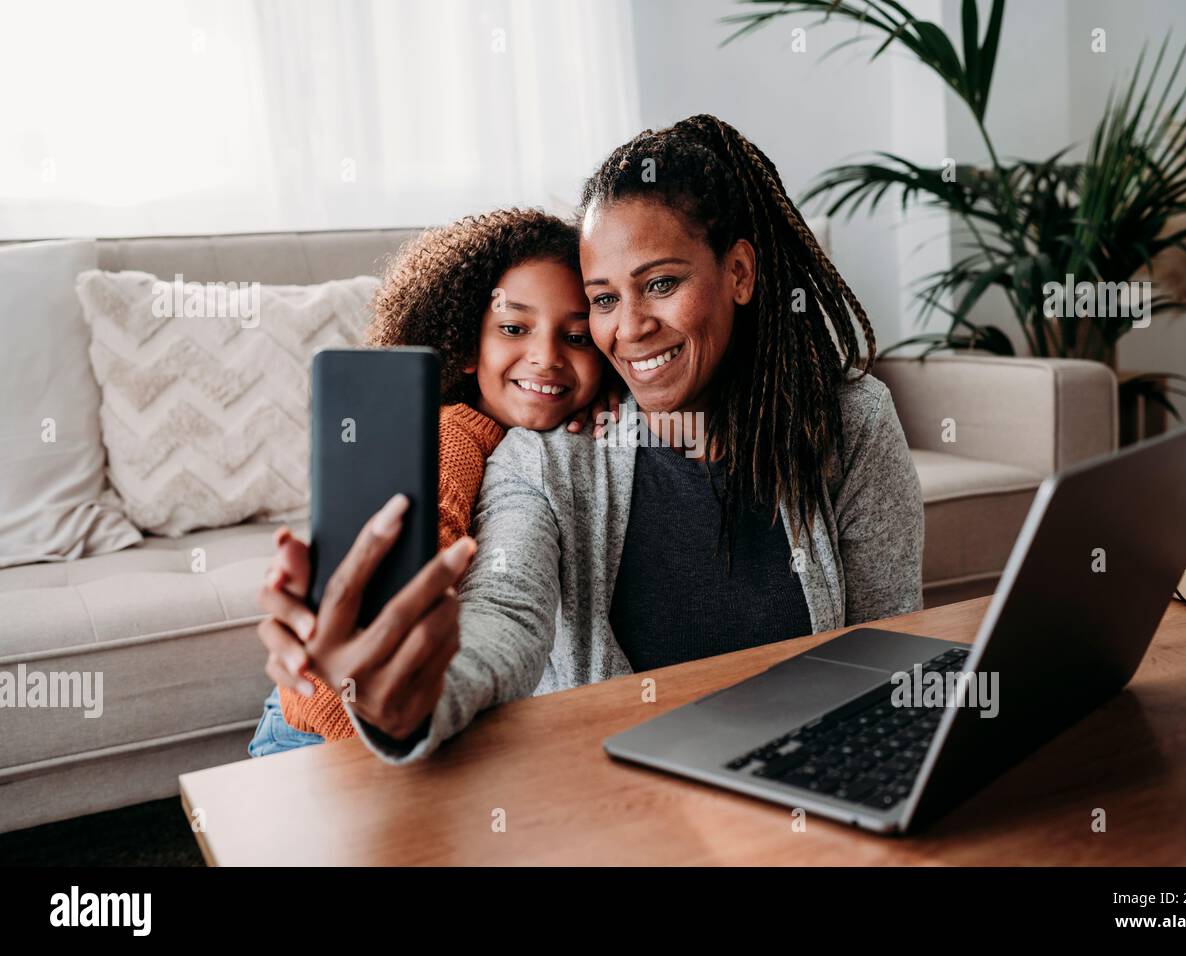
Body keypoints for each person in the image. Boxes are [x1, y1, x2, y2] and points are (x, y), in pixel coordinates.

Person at [256, 115, 924, 764]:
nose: (629, 328)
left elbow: (888, 642)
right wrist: (408, 696)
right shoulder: (546, 458)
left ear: (740, 273)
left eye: (660, 284)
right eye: (603, 299)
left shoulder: (851, 421)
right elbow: (505, 615)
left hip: (809, 775)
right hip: (627, 802)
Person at [247, 209, 612, 756]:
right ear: (466, 346)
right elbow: (410, 576)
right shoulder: (454, 436)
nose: (546, 356)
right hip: (326, 729)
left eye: (578, 338)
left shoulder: (560, 435)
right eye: (514, 329)